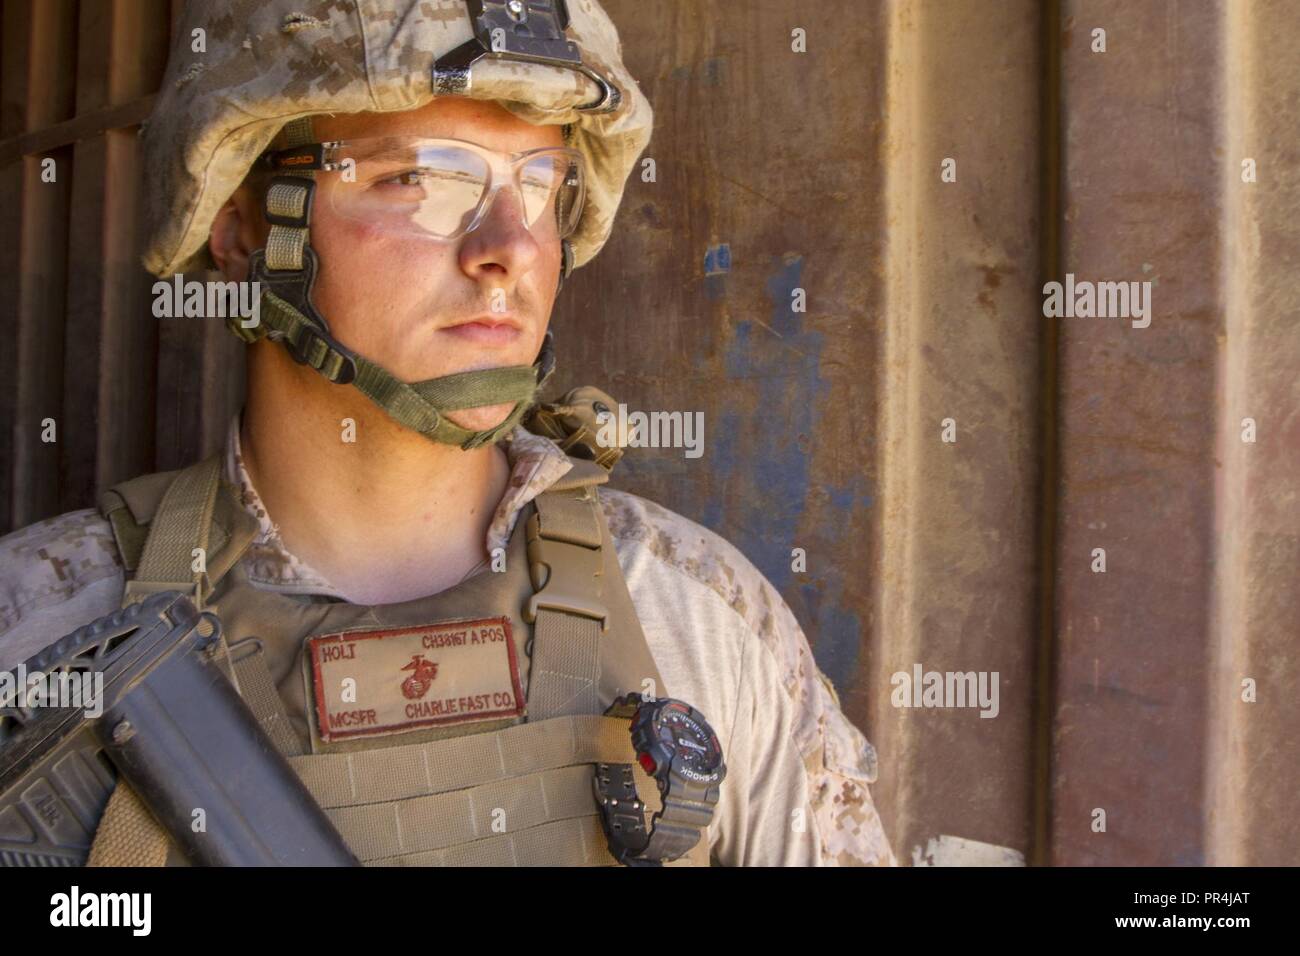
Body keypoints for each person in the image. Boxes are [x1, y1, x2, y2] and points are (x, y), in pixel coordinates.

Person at [0, 0, 893, 867]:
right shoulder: (42, 627)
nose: (509, 246)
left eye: (539, 182)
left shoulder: (697, 620)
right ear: (240, 224)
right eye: (421, 179)